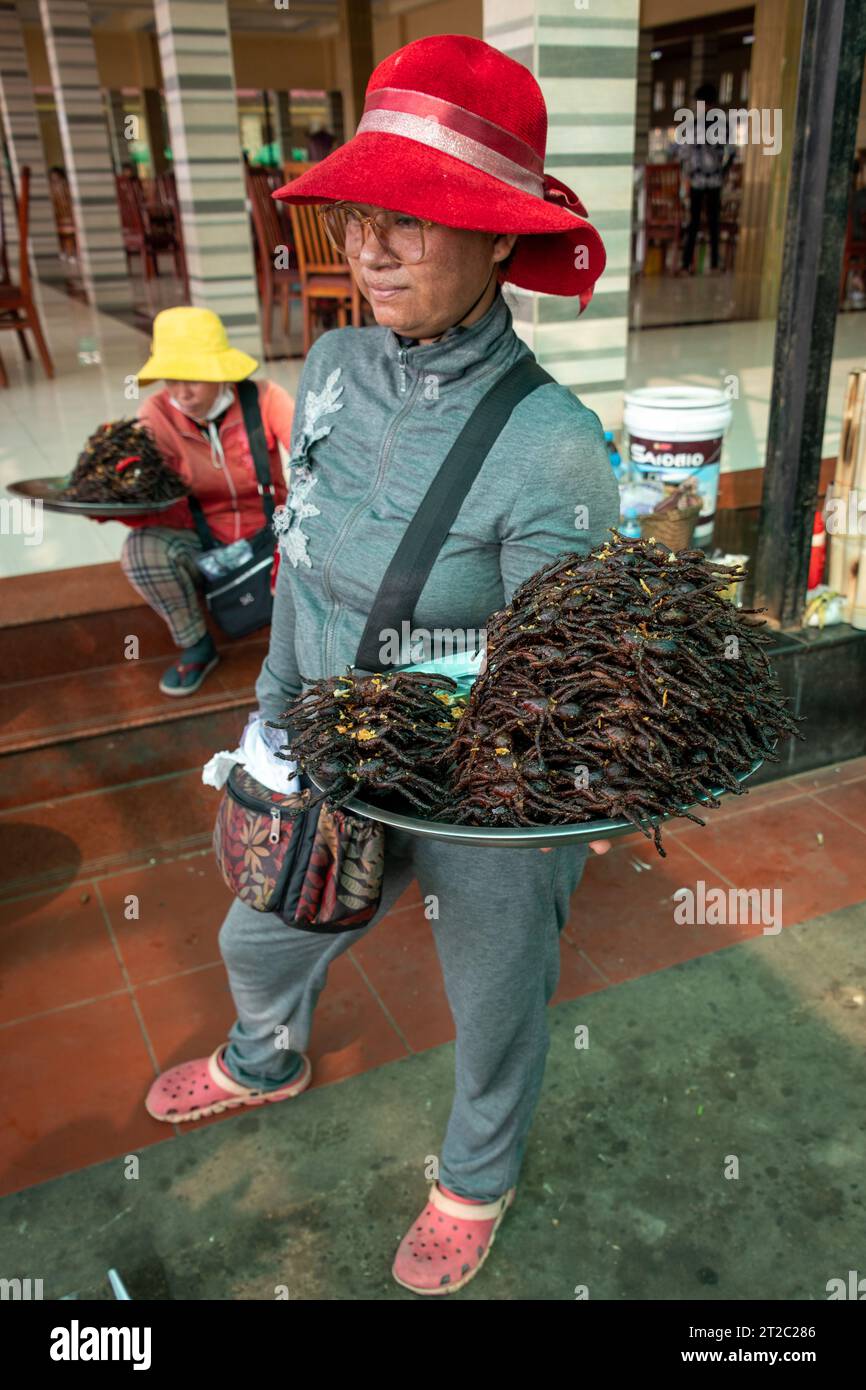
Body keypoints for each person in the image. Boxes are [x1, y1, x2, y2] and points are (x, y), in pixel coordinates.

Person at [144, 33, 619, 1296]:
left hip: (485, 784)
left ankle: (475, 1172)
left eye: (416, 218)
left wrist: (504, 796)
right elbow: (300, 558)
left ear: (494, 238)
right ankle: (264, 1053)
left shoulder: (553, 450)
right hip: (324, 740)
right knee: (260, 939)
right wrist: (270, 722)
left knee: (495, 989)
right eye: (364, 215)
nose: (373, 247)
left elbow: (559, 686)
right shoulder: (337, 365)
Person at [118, 307, 295, 695]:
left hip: (271, 531)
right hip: (203, 535)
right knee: (142, 552)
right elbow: (148, 488)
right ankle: (197, 644)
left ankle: (301, 646)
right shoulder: (157, 413)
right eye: (172, 379)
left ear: (220, 371)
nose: (182, 393)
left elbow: (307, 449)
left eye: (194, 379)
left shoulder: (264, 398)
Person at [670, 82, 736, 275]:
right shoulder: (719, 124)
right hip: (710, 180)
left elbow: (679, 151)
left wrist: (687, 168)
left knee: (696, 222)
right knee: (711, 222)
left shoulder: (694, 125)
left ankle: (687, 265)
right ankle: (712, 264)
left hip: (700, 180)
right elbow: (731, 152)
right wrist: (723, 172)